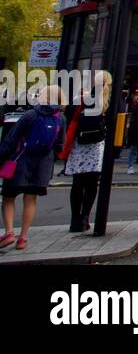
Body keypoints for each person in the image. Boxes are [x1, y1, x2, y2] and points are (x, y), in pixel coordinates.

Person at [0, 85, 65, 252]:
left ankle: (8, 233)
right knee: (30, 199)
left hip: (20, 161)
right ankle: (23, 238)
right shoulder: (60, 118)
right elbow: (60, 145)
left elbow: (12, 139)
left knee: (8, 197)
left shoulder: (31, 115)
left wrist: (2, 157)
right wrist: (50, 159)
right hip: (42, 165)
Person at [61, 70, 112, 233]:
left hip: (79, 144)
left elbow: (69, 116)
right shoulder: (108, 101)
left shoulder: (82, 97)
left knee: (78, 183)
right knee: (92, 183)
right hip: (96, 145)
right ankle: (85, 218)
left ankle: (75, 220)